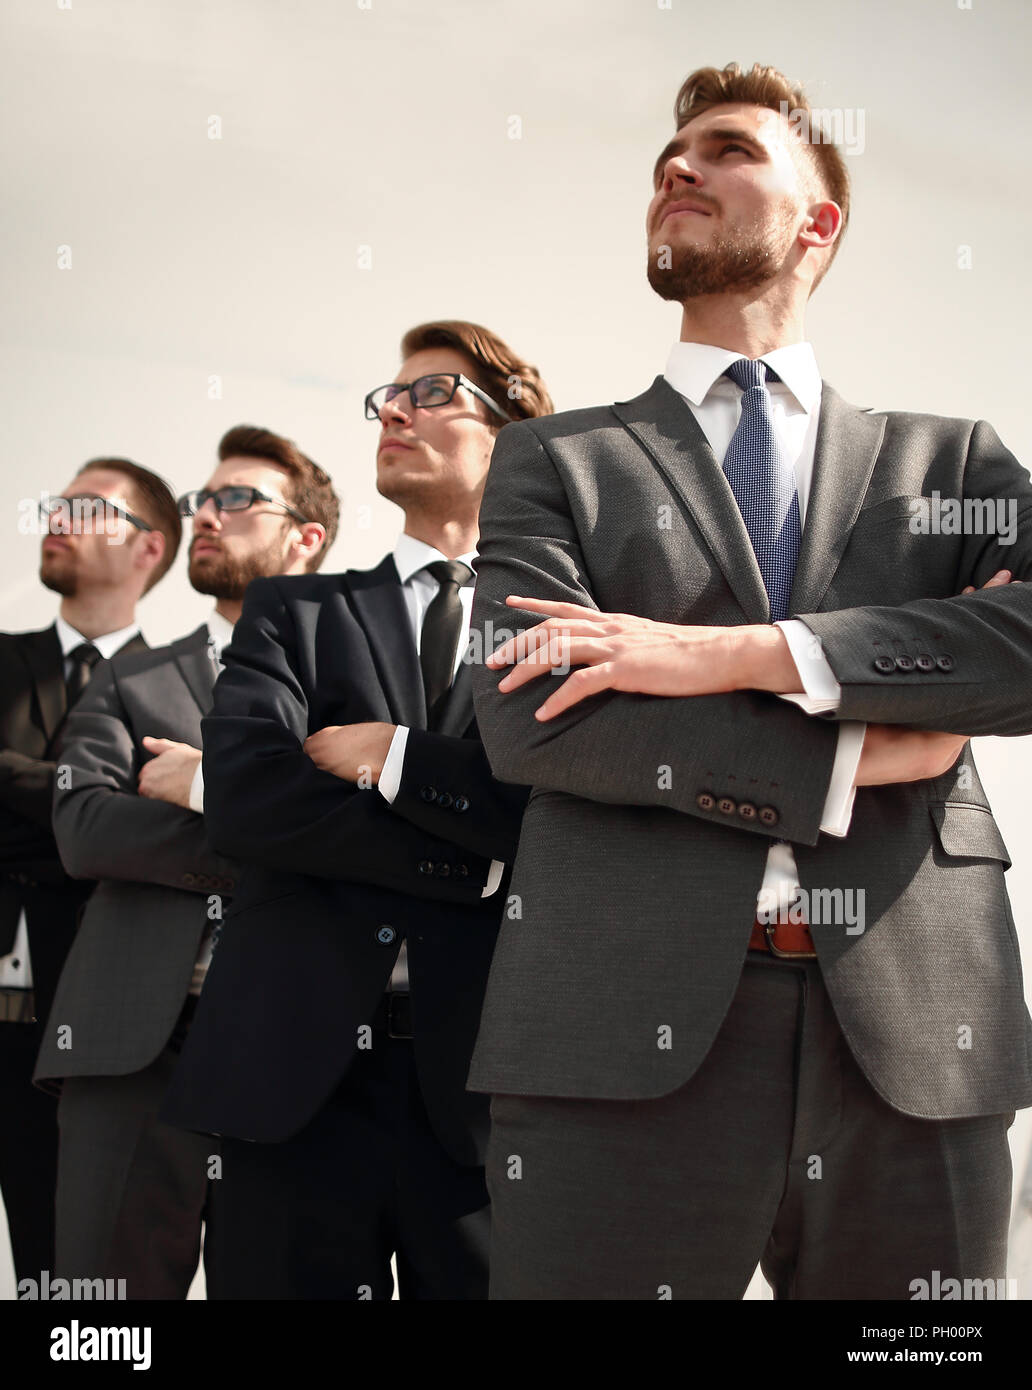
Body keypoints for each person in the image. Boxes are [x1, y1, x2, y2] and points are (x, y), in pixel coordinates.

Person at [467, 62, 1032, 1300]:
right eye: (671, 154)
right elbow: (527, 719)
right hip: (612, 1039)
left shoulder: (956, 460)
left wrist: (734, 655)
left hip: (917, 1042)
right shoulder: (552, 461)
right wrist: (862, 747)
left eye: (728, 149)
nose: (679, 167)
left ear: (817, 221)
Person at [161, 322, 553, 1299]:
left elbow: (550, 811)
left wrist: (398, 758)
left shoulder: (560, 627)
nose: (394, 410)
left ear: (510, 437)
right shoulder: (292, 611)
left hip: (485, 1094)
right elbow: (250, 802)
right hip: (290, 1080)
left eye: (433, 394)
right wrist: (468, 857)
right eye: (389, 394)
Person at [34, 426, 338, 1298]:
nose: (208, 514)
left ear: (305, 537)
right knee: (101, 1320)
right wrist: (280, 835)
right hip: (130, 1046)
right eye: (204, 500)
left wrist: (212, 795)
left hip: (294, 1051)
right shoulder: (131, 680)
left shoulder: (357, 690)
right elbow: (85, 828)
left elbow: (369, 835)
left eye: (237, 500)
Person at [0, 457, 179, 1285]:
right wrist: (92, 808)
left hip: (102, 1023)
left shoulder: (176, 686)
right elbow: (106, 824)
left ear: (150, 546)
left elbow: (154, 832)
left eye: (84, 507)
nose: (56, 517)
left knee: (73, 1270)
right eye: (54, 503)